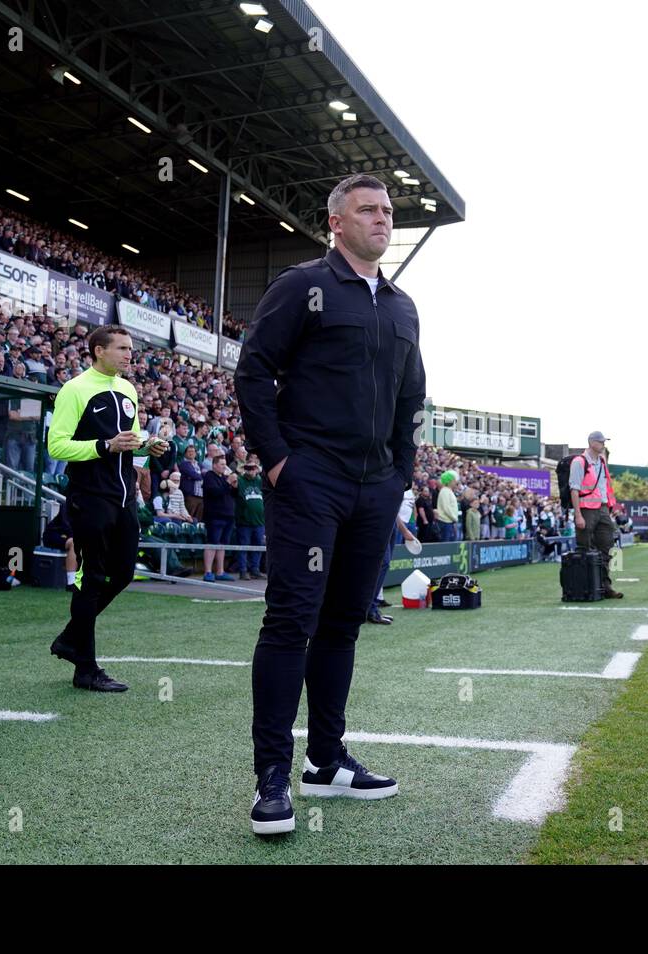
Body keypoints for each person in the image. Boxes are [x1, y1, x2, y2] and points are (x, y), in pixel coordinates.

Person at [234, 173, 425, 836]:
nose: (383, 219)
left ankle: (326, 760)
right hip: (311, 480)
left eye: (389, 210)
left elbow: (410, 399)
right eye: (369, 209)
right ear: (336, 221)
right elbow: (252, 370)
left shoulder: (403, 307)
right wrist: (280, 460)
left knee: (343, 625)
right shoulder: (301, 286)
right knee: (292, 621)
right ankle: (271, 781)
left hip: (375, 489)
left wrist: (399, 475)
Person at [46, 324, 168, 693]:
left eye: (130, 349)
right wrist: (105, 446)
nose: (130, 355)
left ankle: (70, 638)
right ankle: (86, 669)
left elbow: (128, 442)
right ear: (98, 350)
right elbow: (57, 446)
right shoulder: (75, 389)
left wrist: (147, 447)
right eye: (122, 348)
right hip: (90, 497)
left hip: (123, 496)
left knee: (124, 574)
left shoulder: (128, 389)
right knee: (92, 578)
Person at [569, 431, 623, 598]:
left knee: (607, 547)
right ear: (592, 443)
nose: (603, 444)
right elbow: (574, 489)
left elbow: (605, 485)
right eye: (600, 442)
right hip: (586, 509)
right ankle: (584, 587)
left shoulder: (601, 461)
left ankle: (604, 587)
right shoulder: (579, 462)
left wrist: (611, 505)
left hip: (602, 508)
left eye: (603, 442)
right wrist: (578, 515)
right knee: (584, 548)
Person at [368, 488, 421, 625]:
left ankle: (371, 608)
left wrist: (403, 530)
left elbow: (393, 508)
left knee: (384, 564)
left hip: (392, 522)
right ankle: (370, 608)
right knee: (382, 563)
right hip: (378, 520)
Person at [201, 453, 237, 582]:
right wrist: (228, 482)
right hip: (215, 515)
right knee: (212, 543)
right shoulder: (209, 477)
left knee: (223, 544)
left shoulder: (223, 477)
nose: (224, 467)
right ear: (214, 465)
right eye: (221, 464)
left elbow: (232, 494)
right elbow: (215, 492)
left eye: (225, 464)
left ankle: (220, 571)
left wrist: (234, 485)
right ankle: (208, 571)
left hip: (228, 515)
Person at [234, 459, 266, 580]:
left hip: (259, 521)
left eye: (253, 468)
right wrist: (240, 470)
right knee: (243, 546)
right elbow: (231, 477)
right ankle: (243, 570)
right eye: (248, 468)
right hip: (244, 520)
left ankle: (255, 569)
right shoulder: (240, 480)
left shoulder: (260, 482)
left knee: (258, 546)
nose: (250, 471)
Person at [42, 503, 77, 591]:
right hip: (55, 534)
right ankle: (71, 583)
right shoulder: (69, 504)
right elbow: (67, 526)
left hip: (69, 535)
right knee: (74, 542)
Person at [435, 469, 460, 541]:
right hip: (445, 522)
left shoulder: (447, 491)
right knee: (446, 545)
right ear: (450, 481)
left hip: (449, 522)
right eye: (454, 480)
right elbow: (446, 508)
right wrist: (454, 518)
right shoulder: (445, 491)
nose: (456, 482)